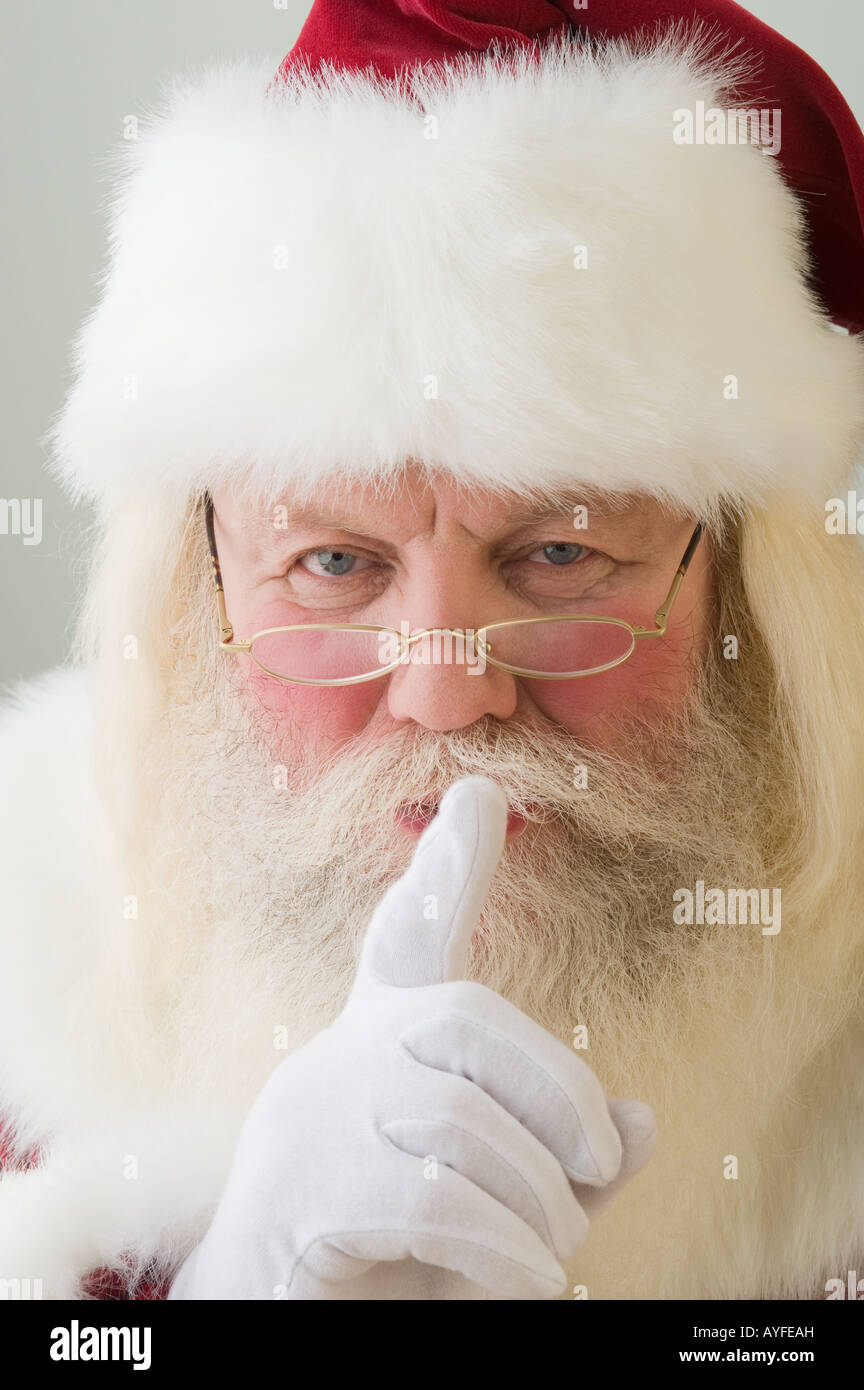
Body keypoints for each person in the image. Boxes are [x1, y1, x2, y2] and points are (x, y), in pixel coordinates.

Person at [2, 0, 864, 1301]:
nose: (450, 688)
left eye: (563, 556)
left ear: (752, 596)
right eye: (334, 563)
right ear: (195, 598)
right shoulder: (30, 960)